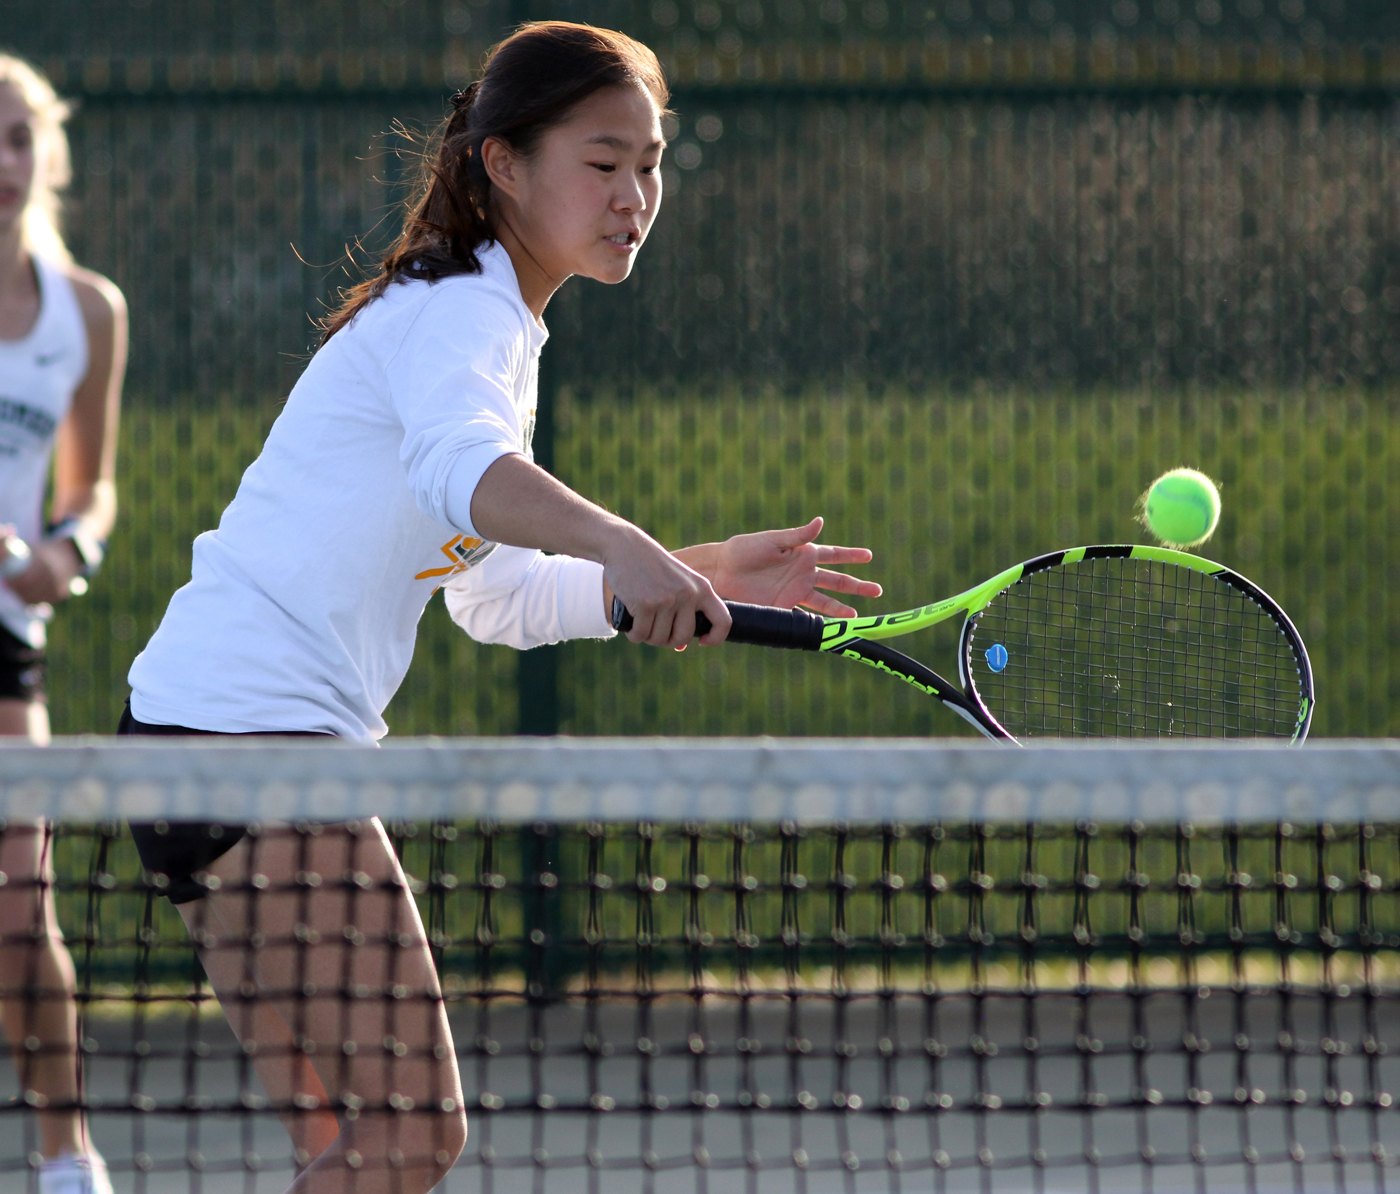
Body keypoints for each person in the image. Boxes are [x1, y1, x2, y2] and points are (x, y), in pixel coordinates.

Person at [120, 21, 880, 1194]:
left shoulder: (487, 324)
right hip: (256, 744)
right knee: (413, 1138)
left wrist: (691, 569)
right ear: (503, 163)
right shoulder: (458, 314)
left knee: (344, 1144)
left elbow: (492, 594)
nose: (635, 194)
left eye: (651, 163)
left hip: (181, 741)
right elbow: (462, 471)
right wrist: (624, 545)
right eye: (601, 161)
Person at [0, 54, 125, 1194]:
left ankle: (65, 1160)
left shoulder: (87, 310)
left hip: (5, 645)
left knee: (16, 907)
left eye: (14, 137)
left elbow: (92, 487)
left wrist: (64, 552)